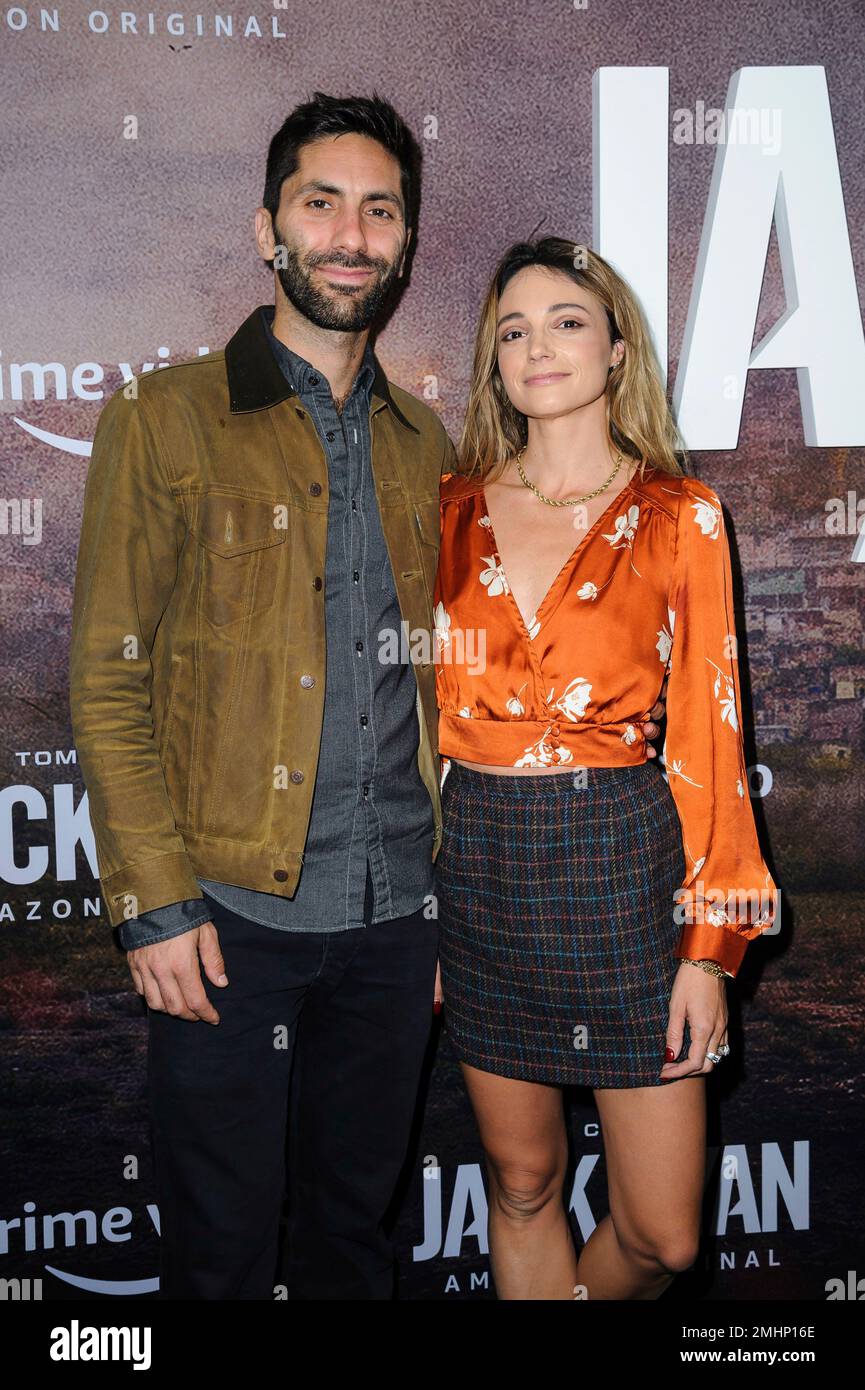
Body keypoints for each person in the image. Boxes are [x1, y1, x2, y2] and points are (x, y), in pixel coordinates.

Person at [69, 91, 458, 1301]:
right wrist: (153, 902)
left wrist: (449, 904)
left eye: (379, 209)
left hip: (399, 918)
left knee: (357, 1241)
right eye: (321, 202)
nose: (352, 233)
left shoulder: (426, 444)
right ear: (268, 228)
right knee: (223, 1254)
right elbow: (107, 673)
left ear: (405, 240)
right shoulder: (166, 414)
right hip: (229, 923)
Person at [432, 237, 779, 1301]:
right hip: (481, 862)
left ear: (617, 348)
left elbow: (713, 736)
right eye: (513, 329)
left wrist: (708, 948)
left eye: (568, 321)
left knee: (663, 1236)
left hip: (625, 867)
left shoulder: (681, 514)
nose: (539, 345)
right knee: (524, 1181)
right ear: (493, 362)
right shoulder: (445, 510)